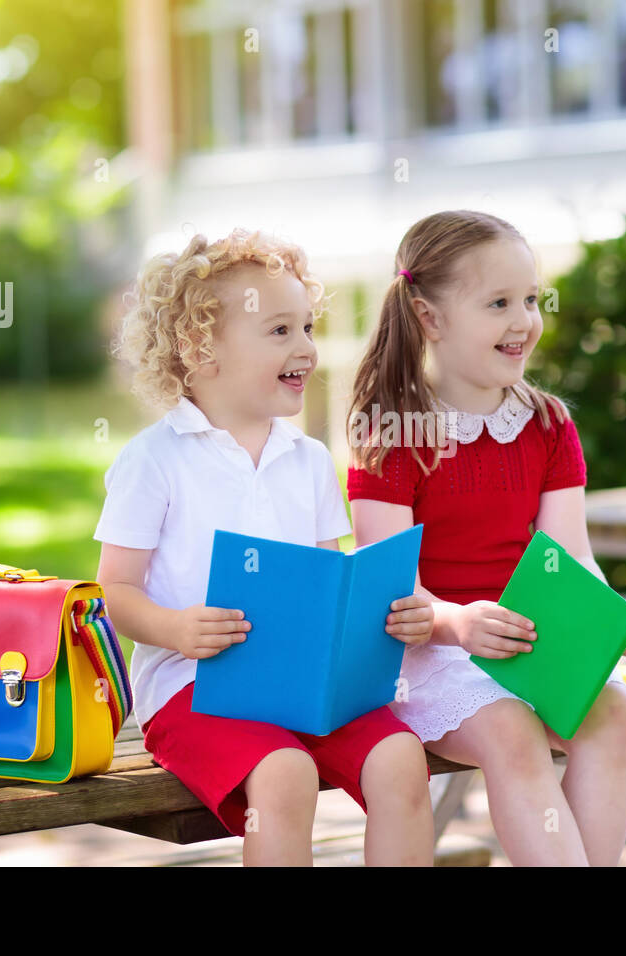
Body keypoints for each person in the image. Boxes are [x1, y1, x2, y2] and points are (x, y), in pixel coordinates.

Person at [94, 228, 435, 866]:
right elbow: (112, 592)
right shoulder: (154, 460)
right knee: (284, 774)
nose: (305, 347)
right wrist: (174, 627)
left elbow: (329, 579)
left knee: (400, 759)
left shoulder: (307, 460)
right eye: (279, 331)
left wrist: (388, 615)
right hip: (192, 688)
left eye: (307, 327)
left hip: (302, 681)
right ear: (200, 349)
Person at [346, 210, 626, 866]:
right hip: (425, 652)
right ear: (430, 317)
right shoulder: (393, 433)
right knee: (512, 731)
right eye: (499, 303)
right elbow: (389, 597)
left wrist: (611, 620)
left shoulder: (547, 425)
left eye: (532, 300)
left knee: (614, 711)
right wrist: (460, 624)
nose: (525, 321)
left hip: (527, 644)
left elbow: (571, 558)